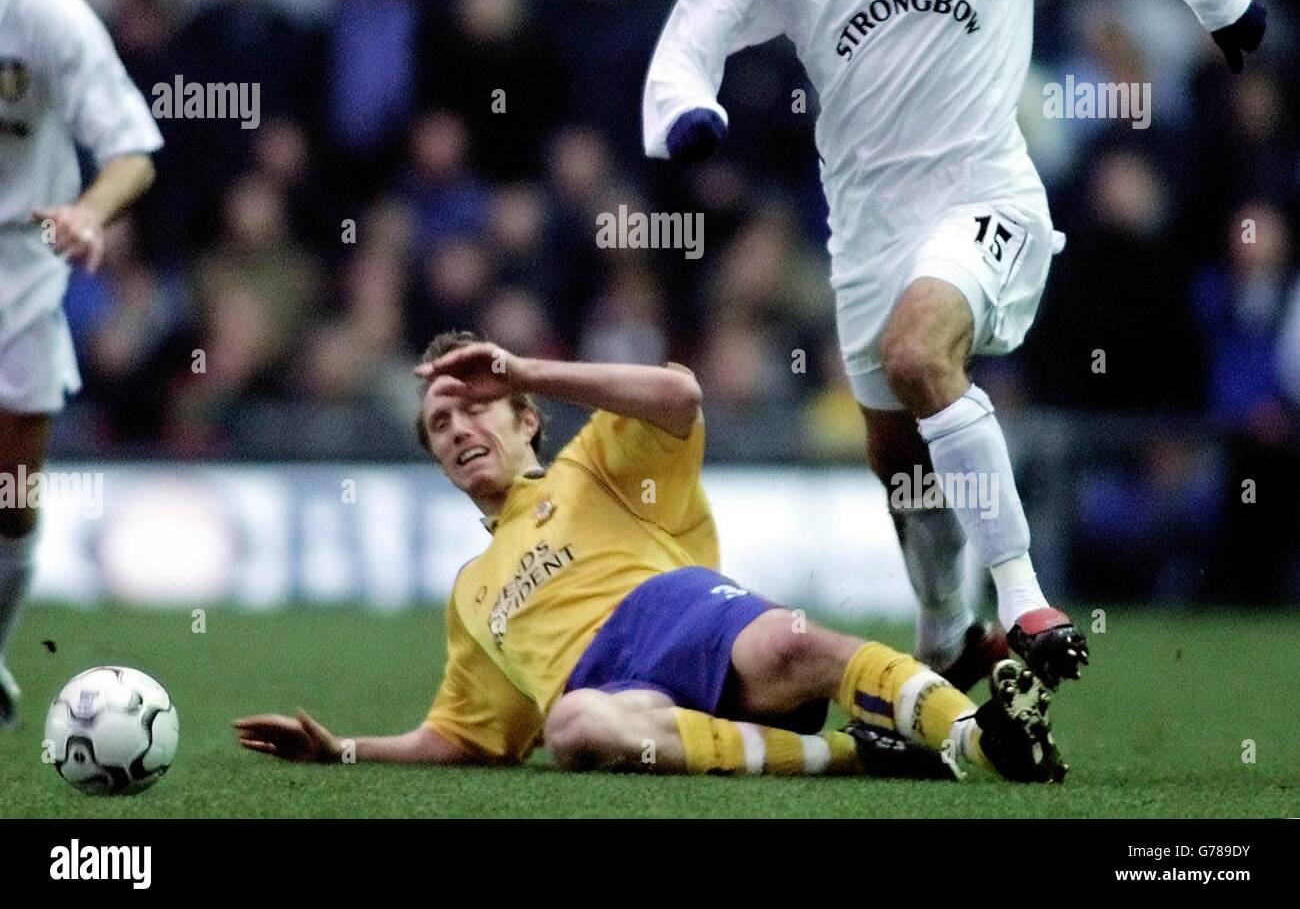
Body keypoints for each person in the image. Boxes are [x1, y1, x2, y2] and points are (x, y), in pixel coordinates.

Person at [641, 0, 1266, 688]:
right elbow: (693, 30)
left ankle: (1024, 600)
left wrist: (1223, 1)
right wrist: (682, 108)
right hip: (866, 225)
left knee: (919, 350)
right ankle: (944, 629)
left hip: (986, 191)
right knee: (898, 453)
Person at [234, 333, 1065, 782]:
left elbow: (681, 394)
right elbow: (463, 738)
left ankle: (976, 737)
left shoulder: (592, 462)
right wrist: (341, 747)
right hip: (620, 699)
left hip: (682, 615)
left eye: (475, 406)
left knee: (793, 644)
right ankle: (861, 755)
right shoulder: (470, 595)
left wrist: (529, 367)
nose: (457, 430)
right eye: (440, 427)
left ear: (527, 419)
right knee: (572, 727)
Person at [0, 0, 163, 727]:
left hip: (22, 256)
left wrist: (92, 212)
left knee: (10, 483)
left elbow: (132, 149)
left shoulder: (43, 4)